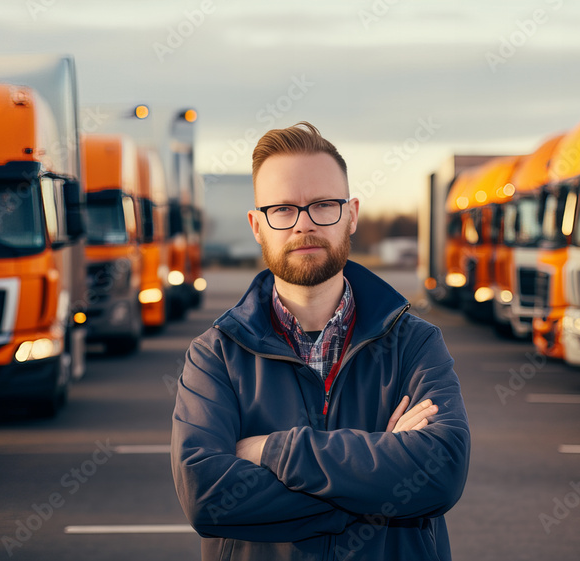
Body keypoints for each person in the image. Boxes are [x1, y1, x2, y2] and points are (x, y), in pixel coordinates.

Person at [171, 122, 470, 560]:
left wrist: (272, 450)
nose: (304, 225)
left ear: (351, 215)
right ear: (257, 225)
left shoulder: (415, 343)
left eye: (323, 205)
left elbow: (440, 473)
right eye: (283, 210)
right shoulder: (215, 354)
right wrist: (376, 484)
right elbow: (207, 496)